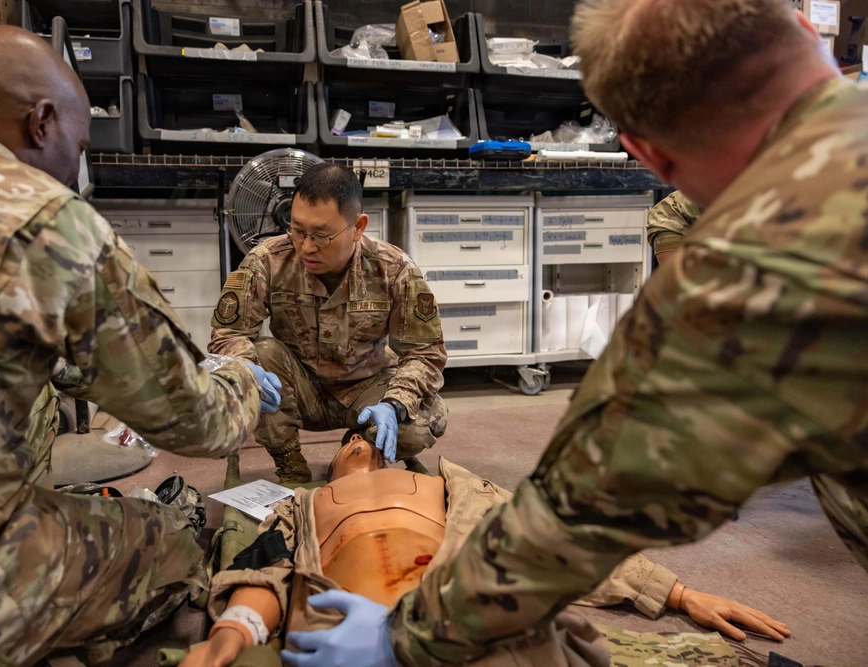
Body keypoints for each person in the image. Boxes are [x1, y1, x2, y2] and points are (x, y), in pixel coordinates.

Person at [278, 1, 868, 665]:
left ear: (646, 155)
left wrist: (403, 635)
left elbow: (570, 522)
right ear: (799, 26)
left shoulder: (739, 279)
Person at [0, 26, 280, 667]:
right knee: (165, 534)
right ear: (41, 122)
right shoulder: (51, 222)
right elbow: (198, 420)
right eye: (80, 145)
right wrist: (244, 378)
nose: (76, 166)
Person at [180, 434, 789, 667]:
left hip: (453, 613)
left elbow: (544, 534)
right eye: (347, 442)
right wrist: (232, 633)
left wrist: (680, 592)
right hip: (350, 615)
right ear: (331, 460)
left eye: (366, 436)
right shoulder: (304, 501)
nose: (359, 443)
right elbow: (268, 565)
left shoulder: (447, 484)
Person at [209, 164, 448, 483]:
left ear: (358, 226)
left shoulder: (394, 269)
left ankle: (358, 448)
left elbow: (425, 353)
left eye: (321, 235)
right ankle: (289, 461)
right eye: (296, 230)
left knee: (428, 418)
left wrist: (394, 403)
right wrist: (244, 367)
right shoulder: (267, 260)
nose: (306, 246)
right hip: (297, 388)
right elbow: (228, 334)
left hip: (366, 387)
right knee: (258, 357)